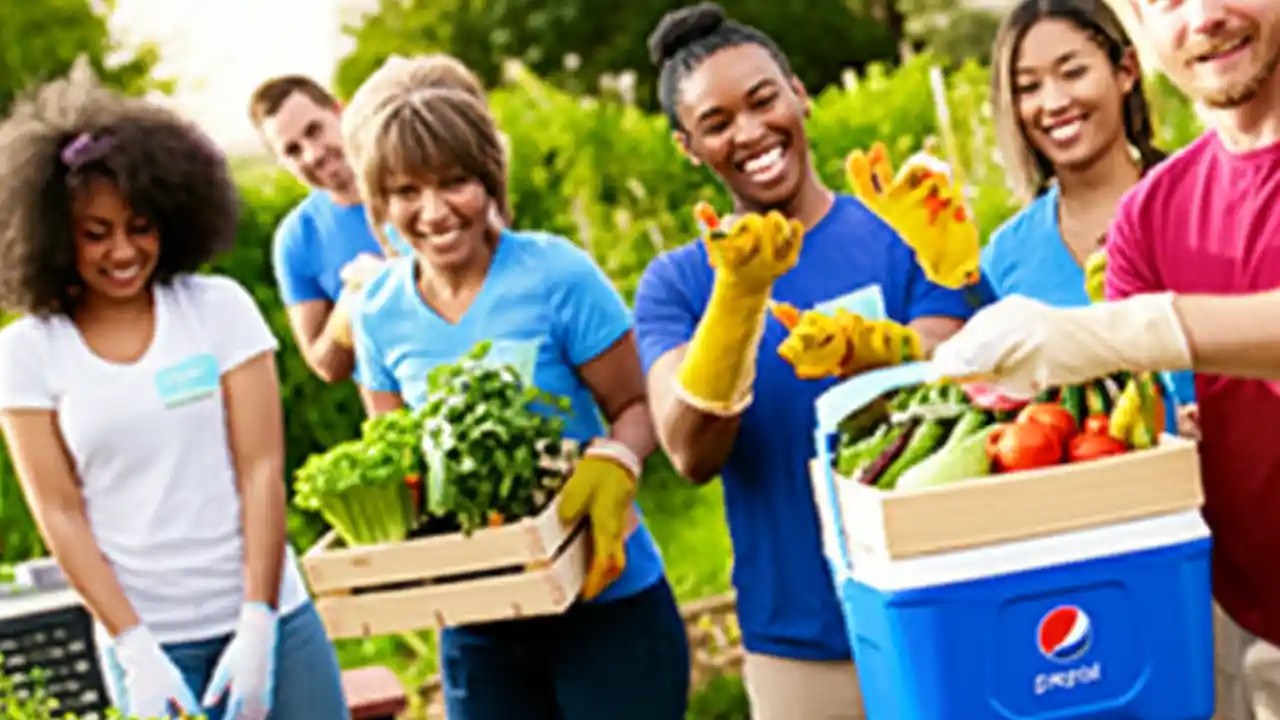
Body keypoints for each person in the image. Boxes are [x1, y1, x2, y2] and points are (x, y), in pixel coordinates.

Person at [930, 1, 1280, 717]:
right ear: (1141, 30)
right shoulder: (1152, 215)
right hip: (1255, 620)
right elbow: (1126, 427)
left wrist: (1115, 332)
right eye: (1168, 1)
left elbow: (1128, 339)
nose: (1206, 17)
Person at [632, 3, 976, 717]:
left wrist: (886, 346)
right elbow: (688, 449)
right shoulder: (680, 284)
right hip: (798, 641)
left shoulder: (899, 222)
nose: (751, 132)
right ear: (687, 148)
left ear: (799, 93)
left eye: (763, 100)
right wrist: (738, 297)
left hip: (940, 596)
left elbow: (967, 367)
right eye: (717, 123)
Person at [339, 55, 690, 720]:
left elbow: (637, 403)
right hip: (478, 620)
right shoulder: (378, 311)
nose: (435, 212)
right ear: (380, 202)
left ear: (489, 179)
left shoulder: (556, 273)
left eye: (454, 183)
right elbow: (397, 458)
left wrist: (616, 457)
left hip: (603, 600)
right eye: (407, 192)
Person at [0, 62, 347, 720]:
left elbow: (261, 469)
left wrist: (259, 622)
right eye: (95, 235)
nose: (123, 251)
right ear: (52, 237)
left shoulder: (218, 309)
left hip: (271, 617)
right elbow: (60, 513)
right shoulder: (27, 351)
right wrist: (132, 645)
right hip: (152, 639)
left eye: (140, 227)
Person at [980, 0, 1196, 436]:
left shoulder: (1203, 201)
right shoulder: (1003, 260)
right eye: (1028, 87)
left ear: (1126, 71)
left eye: (1073, 72)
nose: (1054, 102)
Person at [248, 58, 483, 405]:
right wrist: (352, 305)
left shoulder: (421, 181)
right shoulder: (297, 239)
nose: (312, 154)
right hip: (398, 408)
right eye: (292, 150)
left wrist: (404, 277)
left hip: (483, 369)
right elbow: (326, 366)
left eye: (314, 130)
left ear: (340, 112)